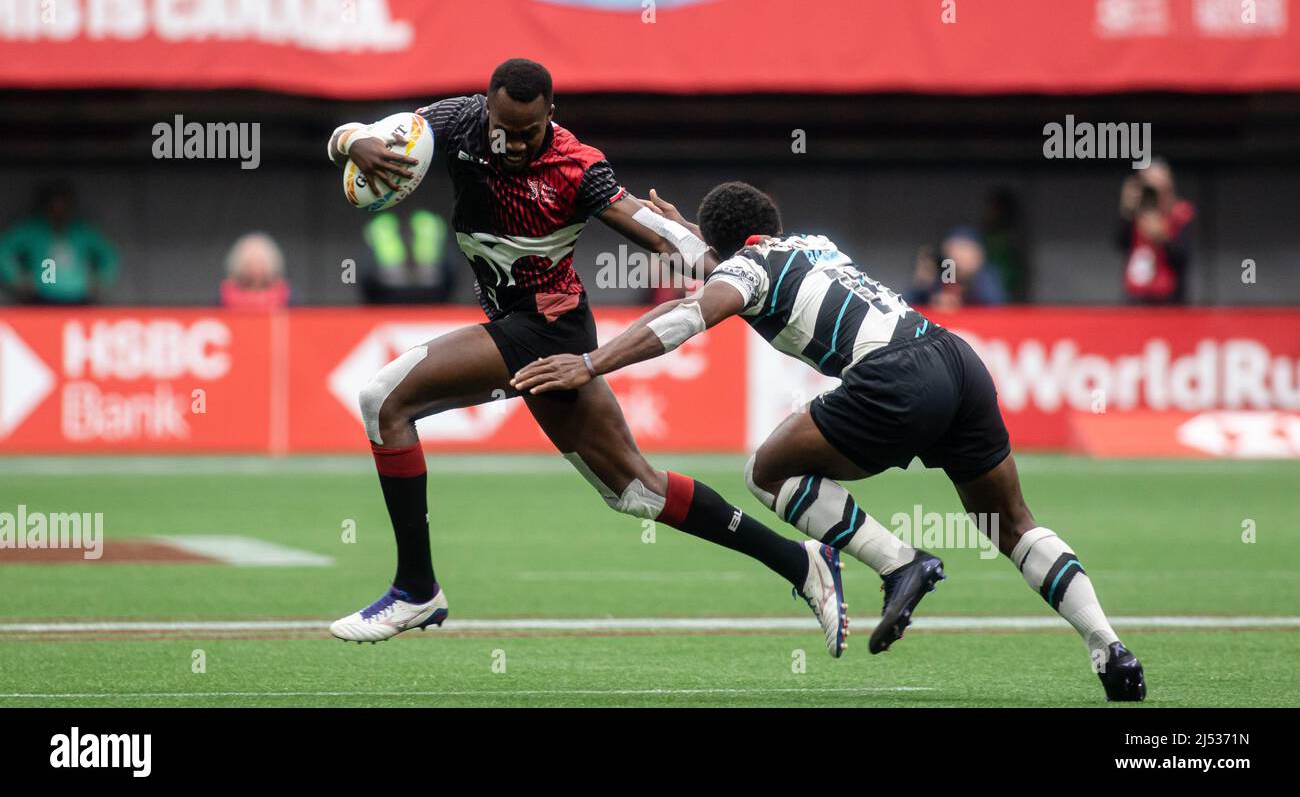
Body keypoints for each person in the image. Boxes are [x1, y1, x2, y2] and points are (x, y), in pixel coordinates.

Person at [513, 181, 1147, 702]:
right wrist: (695, 243)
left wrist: (590, 363)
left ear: (726, 244)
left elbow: (691, 312)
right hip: (956, 358)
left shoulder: (748, 270)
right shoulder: (814, 244)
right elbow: (729, 272)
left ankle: (901, 562)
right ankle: (1110, 650)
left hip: (895, 379)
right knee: (1011, 522)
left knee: (767, 472)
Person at [324, 60, 848, 654]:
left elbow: (653, 231)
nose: (514, 144)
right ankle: (802, 562)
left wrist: (748, 269)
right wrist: (355, 140)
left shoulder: (576, 167)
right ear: (488, 110)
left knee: (383, 401)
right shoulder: (462, 121)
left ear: (552, 114)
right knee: (636, 490)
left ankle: (415, 588)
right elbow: (372, 133)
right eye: (504, 130)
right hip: (529, 328)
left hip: (542, 328)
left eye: (529, 131)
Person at [0, 182, 119, 306]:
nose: (58, 208)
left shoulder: (82, 229)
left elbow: (109, 254)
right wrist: (17, 279)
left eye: (63, 203)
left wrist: (100, 280)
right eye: (54, 203)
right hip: (42, 297)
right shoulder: (32, 229)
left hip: (79, 296)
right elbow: (4, 250)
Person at [1117, 160, 1194, 305]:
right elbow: (1121, 242)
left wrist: (1161, 238)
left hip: (1168, 296)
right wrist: (1127, 210)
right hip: (1136, 293)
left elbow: (1182, 256)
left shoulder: (1180, 212)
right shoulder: (1137, 213)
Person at [220, 232, 290, 310]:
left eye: (260, 262)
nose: (255, 268)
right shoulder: (225, 296)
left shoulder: (285, 297)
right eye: (250, 263)